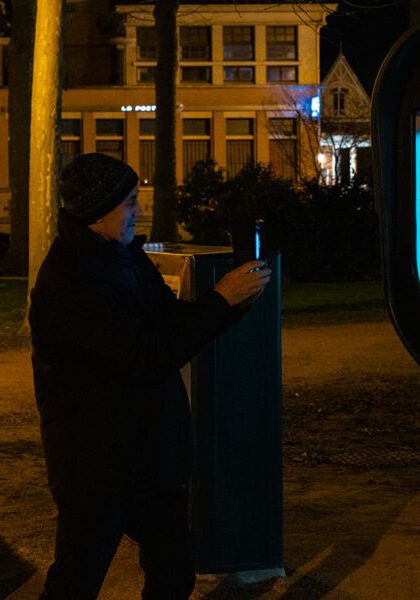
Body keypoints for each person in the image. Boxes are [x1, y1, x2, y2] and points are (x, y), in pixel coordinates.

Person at [28, 152, 271, 600]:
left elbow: (173, 324)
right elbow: (143, 355)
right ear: (98, 212)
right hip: (96, 466)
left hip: (151, 457)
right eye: (130, 202)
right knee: (75, 584)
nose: (139, 211)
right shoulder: (68, 283)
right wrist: (219, 300)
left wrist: (236, 302)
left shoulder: (125, 259)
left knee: (174, 572)